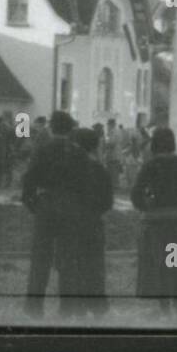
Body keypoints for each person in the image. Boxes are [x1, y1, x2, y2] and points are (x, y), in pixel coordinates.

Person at [20, 110, 88, 317]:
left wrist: (33, 204)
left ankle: (34, 308)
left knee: (40, 258)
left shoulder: (43, 149)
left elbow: (29, 180)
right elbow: (86, 185)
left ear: (52, 128)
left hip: (46, 203)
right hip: (70, 206)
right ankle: (66, 309)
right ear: (70, 129)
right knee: (68, 259)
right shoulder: (78, 152)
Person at [131, 127, 177, 313]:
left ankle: (165, 308)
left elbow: (135, 194)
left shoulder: (150, 165)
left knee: (160, 263)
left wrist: (146, 205)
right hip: (176, 221)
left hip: (155, 222)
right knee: (174, 261)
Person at [65, 127, 114, 318]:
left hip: (73, 223)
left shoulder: (70, 169)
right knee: (95, 266)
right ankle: (98, 308)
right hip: (94, 222)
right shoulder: (101, 170)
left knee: (75, 266)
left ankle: (78, 308)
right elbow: (108, 201)